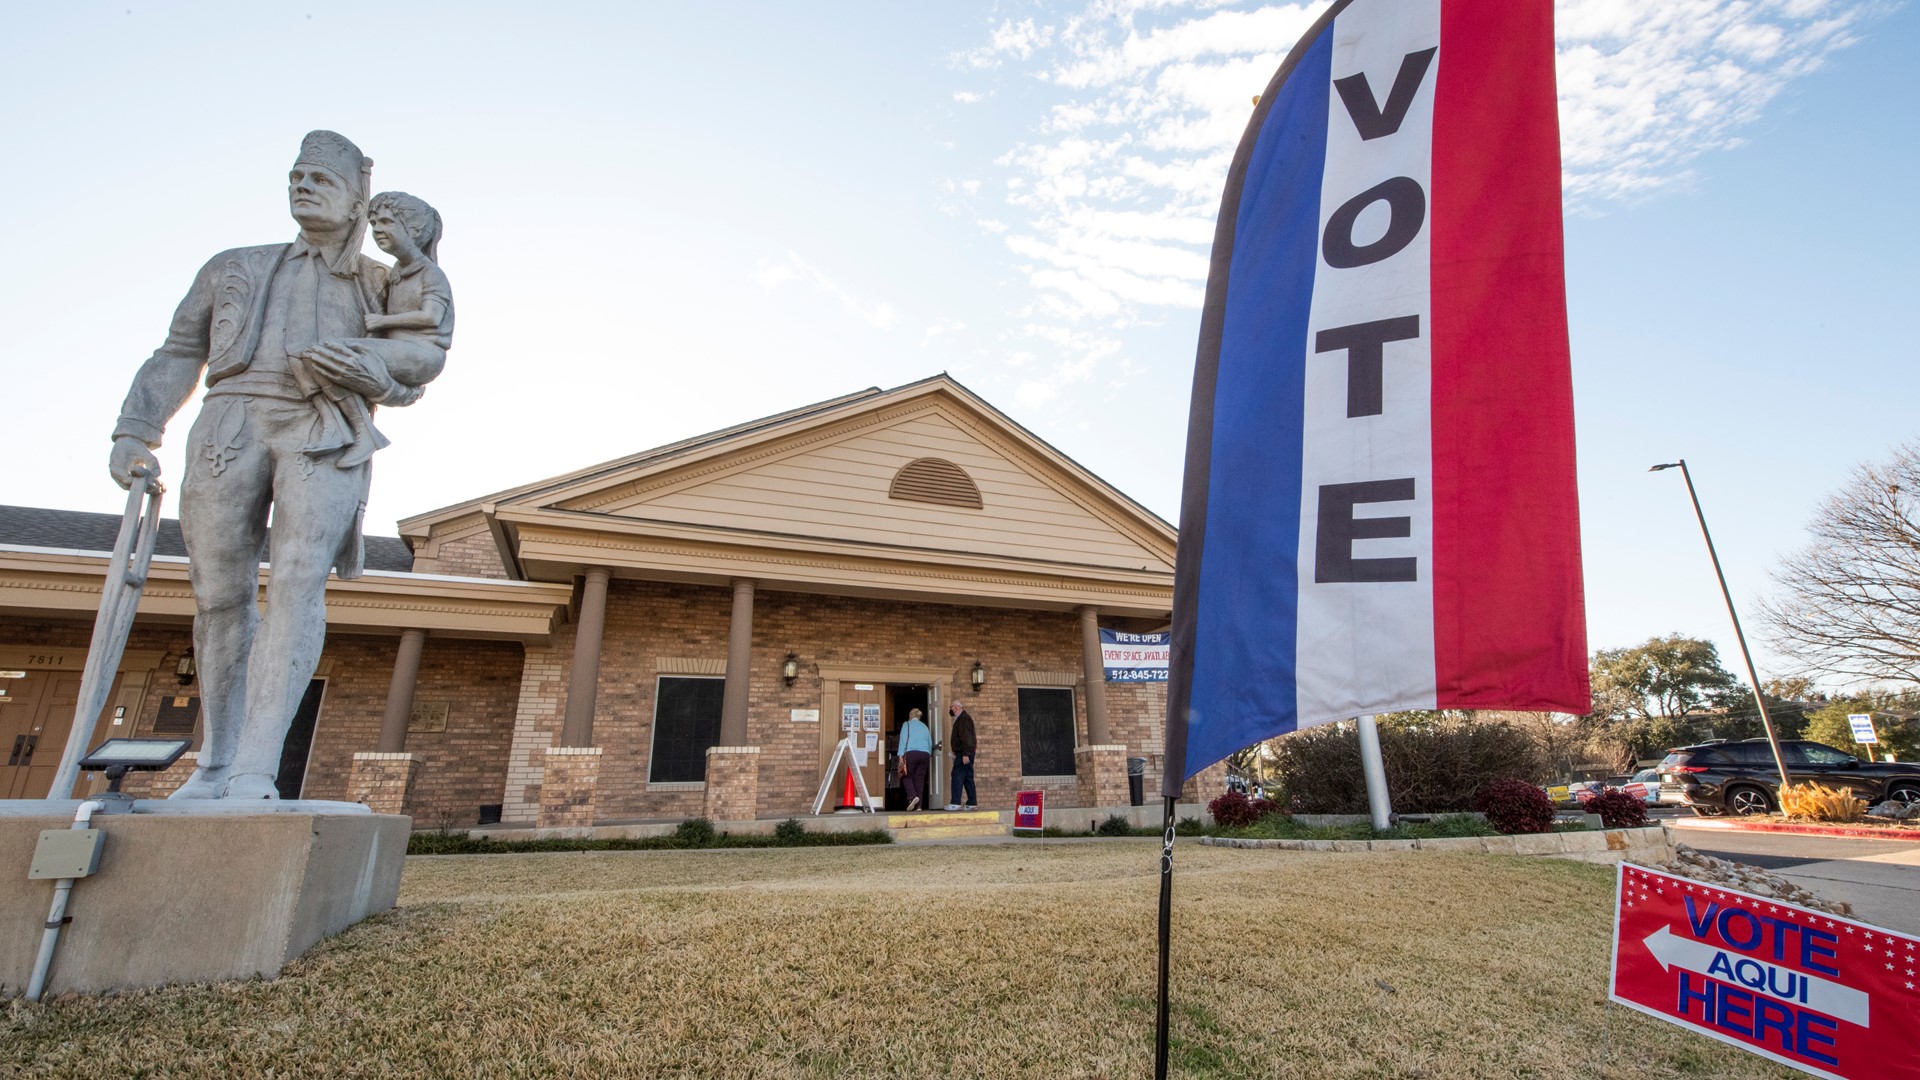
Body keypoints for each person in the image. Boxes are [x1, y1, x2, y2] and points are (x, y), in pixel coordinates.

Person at [108, 131, 446, 800]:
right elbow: (179, 350)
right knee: (218, 592)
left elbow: (423, 361)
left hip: (325, 426)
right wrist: (136, 429)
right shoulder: (234, 266)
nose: (303, 186)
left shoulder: (384, 281)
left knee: (296, 580)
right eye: (297, 177)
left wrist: (376, 374)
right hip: (229, 421)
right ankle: (216, 762)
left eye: (321, 179)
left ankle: (256, 768)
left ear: (357, 200)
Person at [290, 189, 450, 467]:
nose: (377, 229)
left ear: (413, 229)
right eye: (374, 223)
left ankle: (363, 431)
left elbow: (431, 318)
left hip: (422, 355)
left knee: (331, 354)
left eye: (386, 222)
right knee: (309, 355)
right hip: (397, 349)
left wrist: (383, 322)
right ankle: (338, 424)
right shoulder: (396, 271)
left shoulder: (430, 273)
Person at [895, 707, 932, 811]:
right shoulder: (924, 726)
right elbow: (929, 742)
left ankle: (912, 795)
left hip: (911, 753)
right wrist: (929, 754)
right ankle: (919, 806)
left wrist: (900, 756)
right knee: (919, 779)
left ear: (910, 716)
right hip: (925, 754)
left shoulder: (906, 724)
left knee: (905, 775)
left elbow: (903, 740)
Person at [944, 701, 977, 811]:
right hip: (965, 753)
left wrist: (965, 754)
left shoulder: (963, 719)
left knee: (957, 775)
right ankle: (972, 802)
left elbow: (966, 737)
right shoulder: (963, 719)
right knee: (967, 777)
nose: (950, 710)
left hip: (964, 753)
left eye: (951, 707)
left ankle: (955, 802)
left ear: (956, 708)